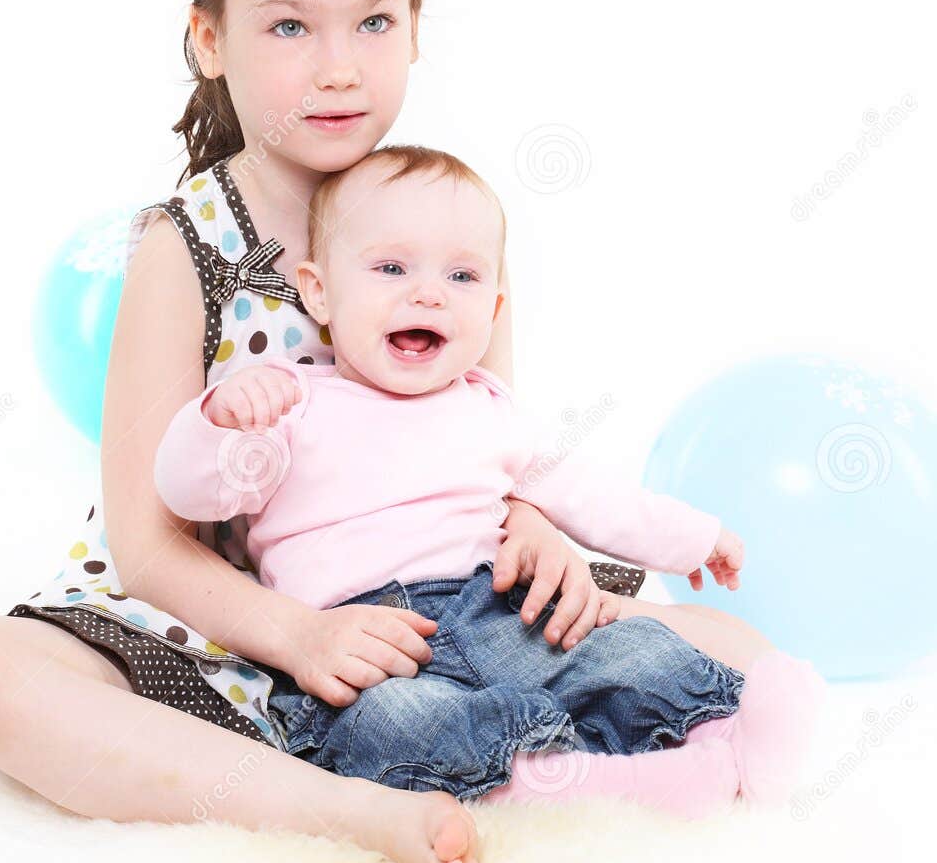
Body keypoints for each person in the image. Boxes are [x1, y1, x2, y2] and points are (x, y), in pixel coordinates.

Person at [0, 0, 792, 863]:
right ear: (209, 38)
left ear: (415, 30)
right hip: (224, 610)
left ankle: (497, 750)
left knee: (725, 648)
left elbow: (492, 431)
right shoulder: (184, 243)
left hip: (428, 599)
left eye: (373, 22)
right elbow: (148, 547)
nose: (338, 66)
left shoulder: (444, 216)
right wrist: (294, 634)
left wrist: (533, 530)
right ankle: (335, 805)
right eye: (289, 26)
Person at [154, 145, 824, 814]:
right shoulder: (290, 401)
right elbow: (191, 493)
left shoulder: (488, 408)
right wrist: (218, 422)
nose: (428, 293)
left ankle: (725, 744)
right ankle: (565, 785)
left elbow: (588, 495)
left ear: (493, 307)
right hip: (365, 637)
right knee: (394, 722)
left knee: (626, 653)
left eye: (462, 276)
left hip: (495, 608)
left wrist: (694, 539)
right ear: (319, 291)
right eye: (390, 268)